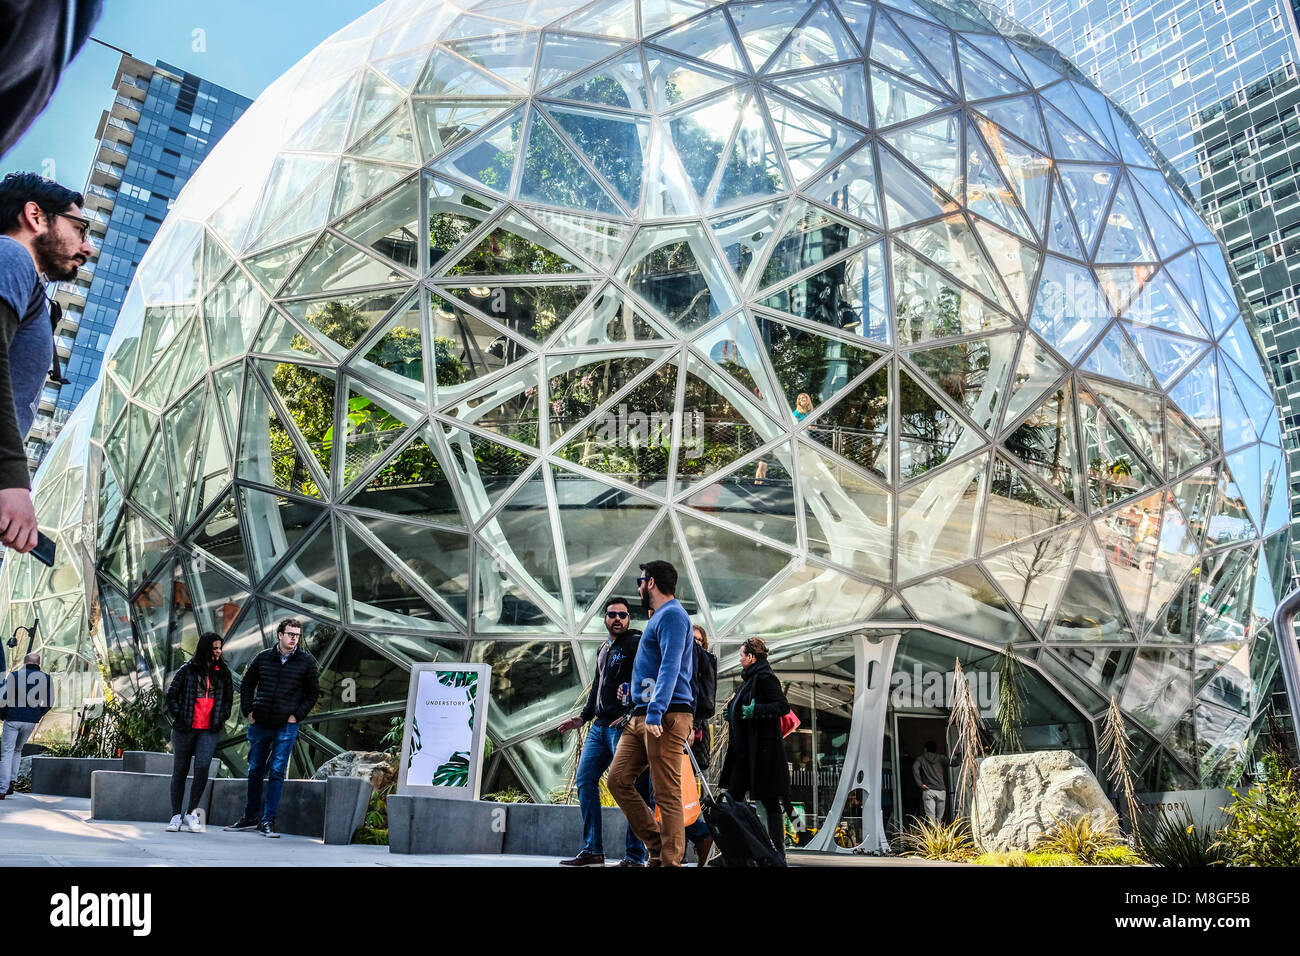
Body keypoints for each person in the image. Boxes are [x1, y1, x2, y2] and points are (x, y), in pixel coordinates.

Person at [0, 173, 94, 552]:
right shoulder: (12, 256)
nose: (88, 247)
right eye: (80, 228)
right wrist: (11, 479)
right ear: (35, 216)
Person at [607, 559, 695, 867]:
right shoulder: (660, 617)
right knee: (617, 780)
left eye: (640, 581)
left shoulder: (672, 615)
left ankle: (668, 861)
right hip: (642, 715)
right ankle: (656, 846)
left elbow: (672, 665)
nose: (639, 586)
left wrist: (656, 711)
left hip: (664, 717)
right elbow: (657, 668)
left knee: (666, 793)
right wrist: (635, 694)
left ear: (652, 583)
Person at [555, 597, 647, 867]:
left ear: (629, 618)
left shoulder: (636, 643)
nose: (617, 619)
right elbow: (597, 686)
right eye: (612, 614)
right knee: (585, 780)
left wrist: (631, 710)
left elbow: (649, 676)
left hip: (623, 727)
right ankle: (593, 850)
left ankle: (635, 855)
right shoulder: (604, 648)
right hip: (599, 727)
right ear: (605, 618)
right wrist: (583, 718)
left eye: (622, 614)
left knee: (630, 787)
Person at [224, 618, 319, 837]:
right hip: (260, 722)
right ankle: (250, 817)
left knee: (277, 771)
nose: (294, 638)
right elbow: (247, 684)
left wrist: (297, 715)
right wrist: (249, 709)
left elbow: (313, 692)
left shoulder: (306, 662)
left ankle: (268, 821)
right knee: (255, 769)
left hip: (286, 725)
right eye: (290, 634)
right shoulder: (263, 657)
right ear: (280, 634)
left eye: (297, 634)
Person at [719, 637, 791, 859]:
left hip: (762, 754)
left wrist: (756, 710)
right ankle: (735, 852)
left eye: (741, 655)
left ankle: (778, 853)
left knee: (770, 803)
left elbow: (782, 706)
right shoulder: (750, 678)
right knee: (732, 802)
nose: (740, 659)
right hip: (745, 754)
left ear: (751, 657)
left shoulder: (765, 677)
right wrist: (730, 712)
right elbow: (740, 705)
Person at [163, 632, 233, 833]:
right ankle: (175, 815)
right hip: (185, 729)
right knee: (180, 771)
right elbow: (171, 695)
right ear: (205, 649)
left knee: (202, 767)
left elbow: (228, 698)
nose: (218, 651)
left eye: (220, 648)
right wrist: (181, 716)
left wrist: (222, 716)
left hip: (209, 730)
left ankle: (190, 813)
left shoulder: (223, 672)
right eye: (215, 648)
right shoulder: (187, 670)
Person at [685, 623, 717, 866]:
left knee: (678, 793)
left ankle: (702, 836)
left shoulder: (703, 662)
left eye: (699, 640)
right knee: (674, 793)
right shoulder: (684, 660)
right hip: (684, 733)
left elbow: (703, 701)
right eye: (692, 639)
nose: (696, 643)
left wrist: (692, 728)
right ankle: (697, 838)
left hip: (691, 737)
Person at [0, 652, 51, 797]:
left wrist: (3, 715)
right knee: (17, 751)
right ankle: (11, 782)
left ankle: (2, 789)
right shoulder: (46, 679)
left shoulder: (15, 676)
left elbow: (5, 698)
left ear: (25, 662)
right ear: (38, 664)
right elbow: (49, 702)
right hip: (31, 721)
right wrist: (37, 713)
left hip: (13, 718)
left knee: (7, 752)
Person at [913, 740, 956, 824]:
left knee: (931, 819)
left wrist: (920, 784)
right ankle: (939, 836)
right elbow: (955, 763)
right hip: (941, 791)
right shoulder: (941, 758)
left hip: (929, 791)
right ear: (935, 750)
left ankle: (933, 836)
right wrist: (958, 755)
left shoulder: (921, 758)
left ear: (925, 749)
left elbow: (915, 769)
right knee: (939, 819)